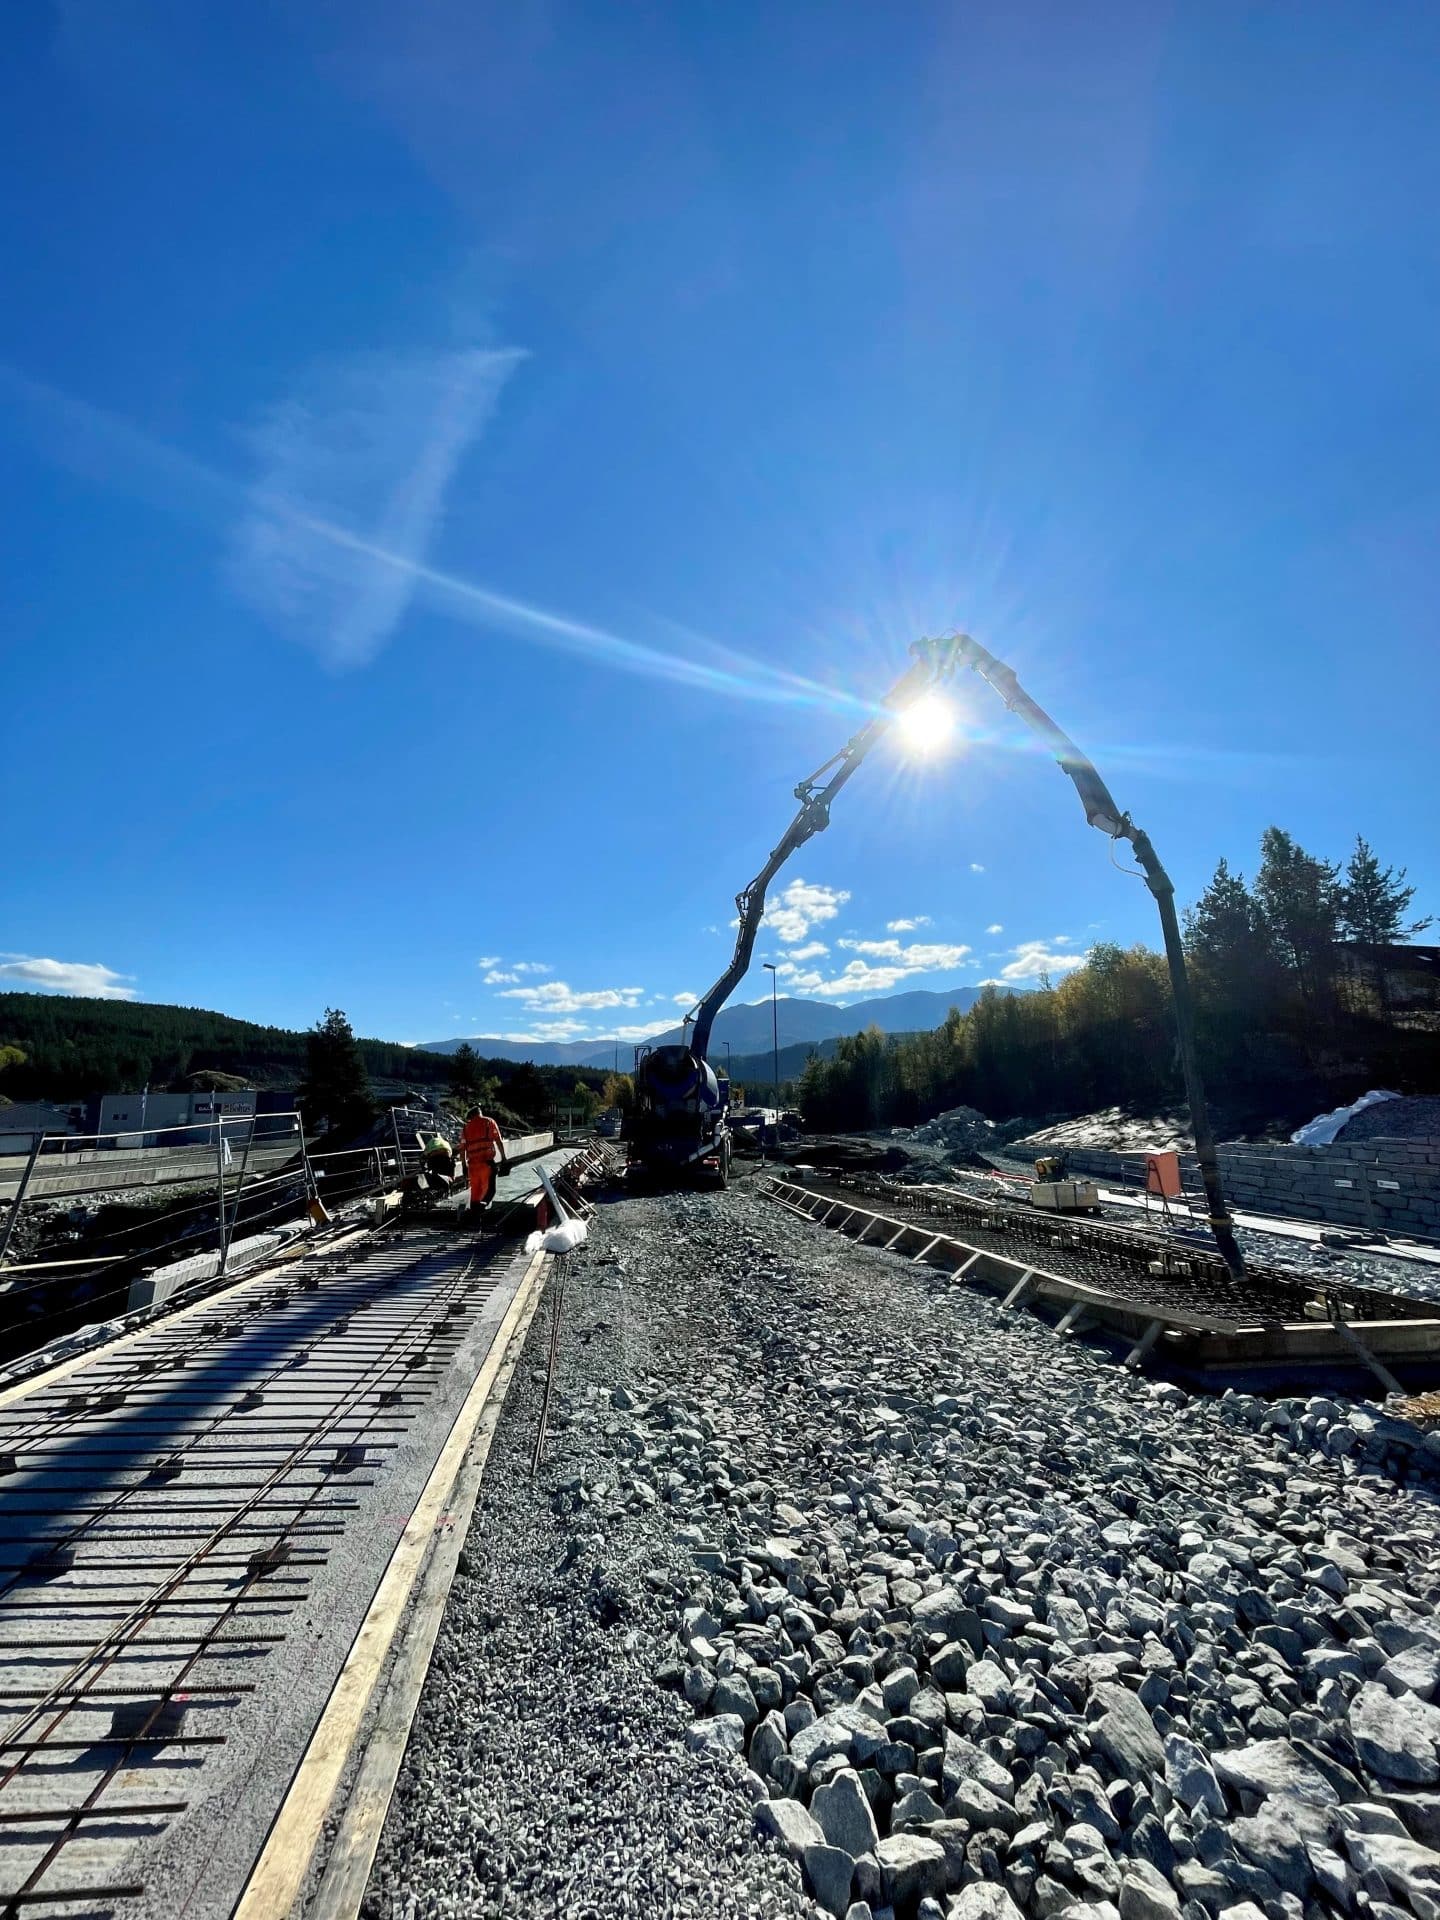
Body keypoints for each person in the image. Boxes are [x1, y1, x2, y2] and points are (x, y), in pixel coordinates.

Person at [461, 1106, 509, 1210]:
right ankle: (481, 1211)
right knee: (489, 1192)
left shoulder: (466, 1128)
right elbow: (498, 1140)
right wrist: (504, 1158)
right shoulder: (489, 1122)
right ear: (480, 1113)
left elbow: (462, 1149)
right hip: (486, 1164)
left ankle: (473, 1216)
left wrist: (464, 1167)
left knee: (475, 1194)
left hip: (473, 1166)